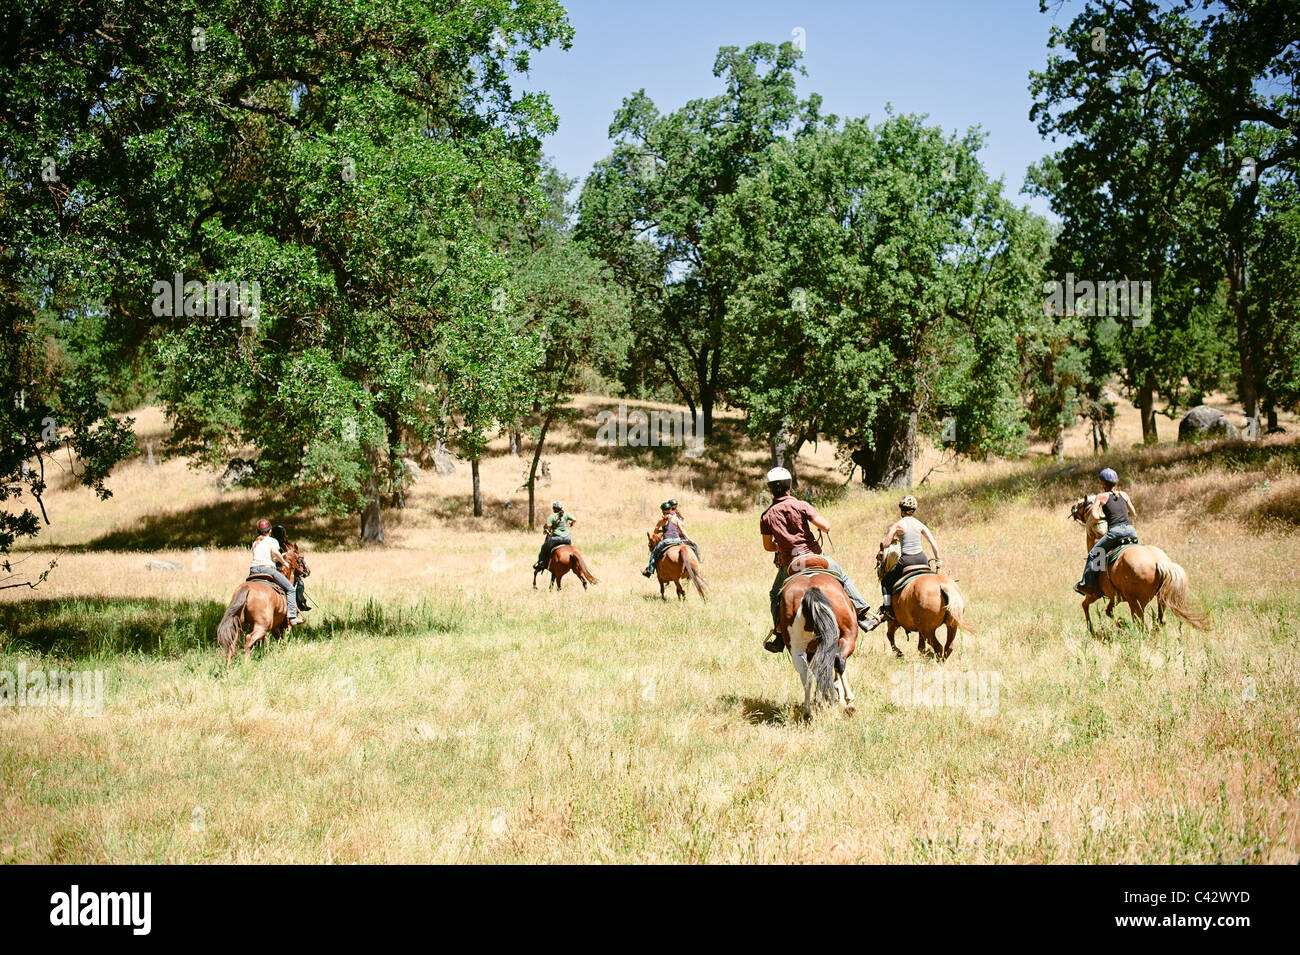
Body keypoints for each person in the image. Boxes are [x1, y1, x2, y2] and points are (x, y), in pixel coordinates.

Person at [759, 467, 879, 653]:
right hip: (814, 556)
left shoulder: (767, 515)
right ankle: (862, 613)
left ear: (770, 488)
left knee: (775, 595)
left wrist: (782, 545)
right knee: (843, 577)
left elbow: (768, 546)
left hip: (791, 563)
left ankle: (780, 633)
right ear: (789, 486)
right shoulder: (801, 505)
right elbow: (825, 526)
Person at [877, 495, 942, 621]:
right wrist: (938, 559)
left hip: (907, 560)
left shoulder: (898, 525)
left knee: (885, 582)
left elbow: (885, 544)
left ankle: (888, 610)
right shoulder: (920, 524)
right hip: (922, 559)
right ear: (914, 510)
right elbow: (933, 543)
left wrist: (893, 540)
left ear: (902, 510)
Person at [1075, 468, 1137, 596]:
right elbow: (1133, 513)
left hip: (1115, 532)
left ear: (1103, 484)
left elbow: (1095, 516)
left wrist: (1105, 517)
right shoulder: (1124, 495)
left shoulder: (1101, 496)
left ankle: (1089, 585)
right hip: (1131, 531)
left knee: (1094, 553)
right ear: (1116, 483)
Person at [250, 518, 302, 625]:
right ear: (269, 531)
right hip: (267, 570)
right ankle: (292, 616)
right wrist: (284, 562)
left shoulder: (255, 542)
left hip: (253, 571)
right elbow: (275, 553)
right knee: (290, 589)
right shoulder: (272, 541)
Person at [642, 500, 700, 577]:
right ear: (670, 510)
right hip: (677, 540)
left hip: (667, 541)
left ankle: (650, 570)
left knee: (654, 553)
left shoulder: (661, 521)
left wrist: (662, 530)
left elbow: (655, 533)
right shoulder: (676, 519)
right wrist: (689, 539)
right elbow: (682, 531)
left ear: (662, 511)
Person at [272, 524, 311, 613]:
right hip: (282, 568)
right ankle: (299, 603)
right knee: (299, 584)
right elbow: (294, 559)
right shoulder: (286, 545)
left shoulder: (273, 543)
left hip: (271, 567)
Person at [534, 501, 577, 572]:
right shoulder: (566, 514)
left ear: (554, 509)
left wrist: (546, 527)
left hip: (556, 538)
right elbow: (574, 519)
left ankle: (541, 563)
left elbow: (548, 526)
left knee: (544, 547)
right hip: (568, 538)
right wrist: (571, 523)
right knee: (571, 549)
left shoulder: (552, 516)